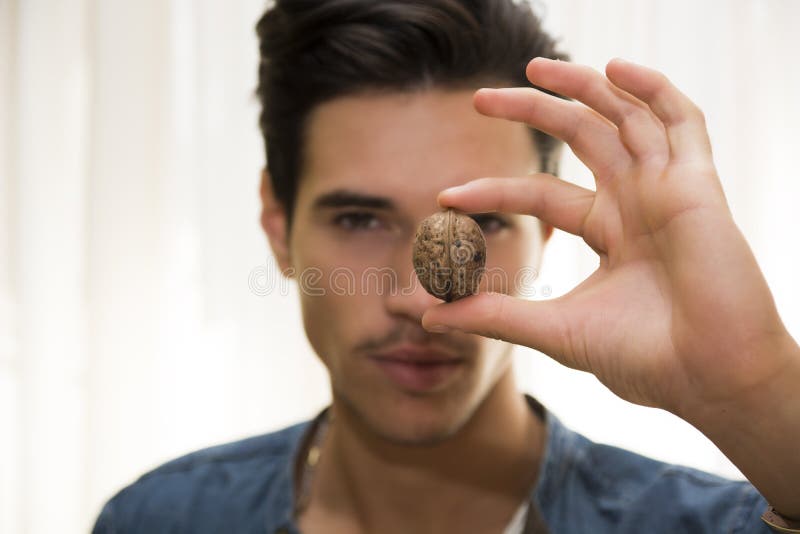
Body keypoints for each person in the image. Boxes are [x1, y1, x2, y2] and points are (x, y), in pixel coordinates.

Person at [92, 1, 800, 533]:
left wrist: (758, 392)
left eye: (485, 220)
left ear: (550, 227)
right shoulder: (160, 519)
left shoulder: (711, 523)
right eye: (359, 220)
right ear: (279, 226)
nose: (412, 297)